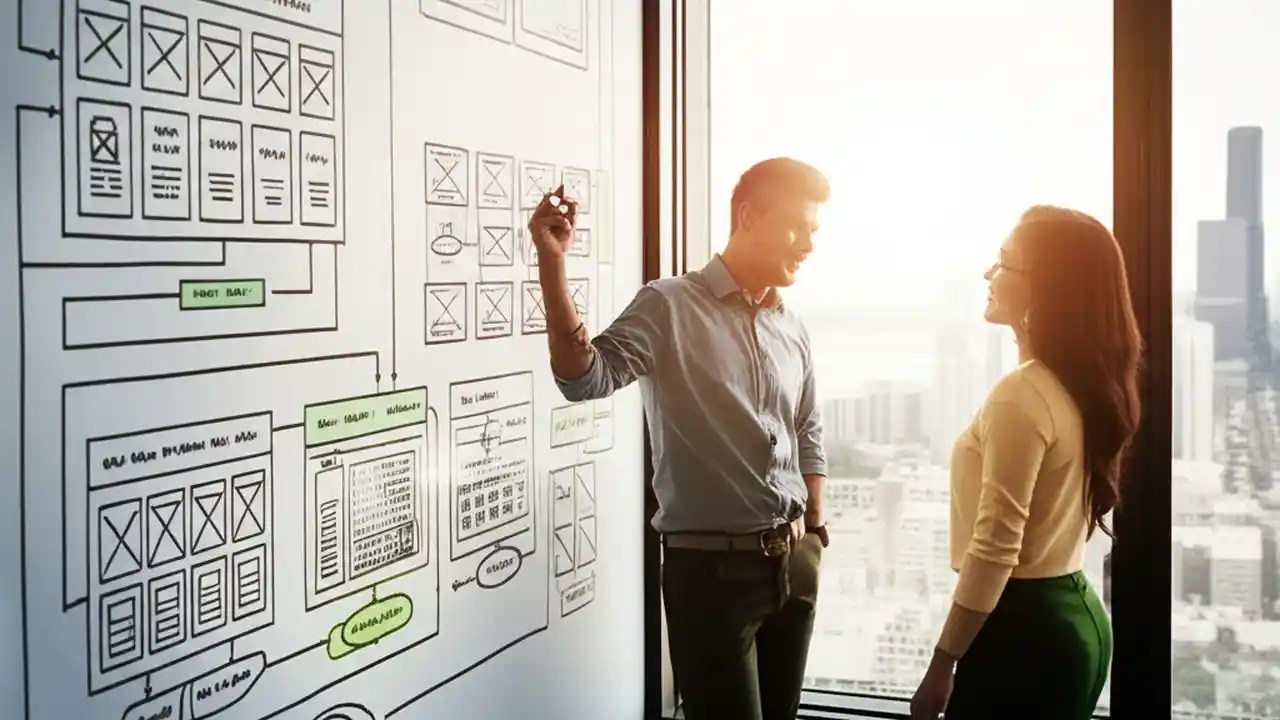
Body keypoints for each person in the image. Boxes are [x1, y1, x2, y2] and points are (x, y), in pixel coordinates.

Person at [527, 158, 832, 720]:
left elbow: (807, 425)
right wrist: (553, 263)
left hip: (796, 563)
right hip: (712, 576)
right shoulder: (669, 305)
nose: (810, 244)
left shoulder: (791, 325)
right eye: (798, 227)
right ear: (748, 216)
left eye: (814, 229)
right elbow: (584, 378)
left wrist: (812, 523)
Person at [909, 206, 1143, 719]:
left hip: (1023, 632)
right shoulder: (1079, 384)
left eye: (1003, 262)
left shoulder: (1021, 396)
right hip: (1075, 614)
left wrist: (942, 664)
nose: (988, 274)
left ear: (1044, 289)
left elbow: (995, 546)